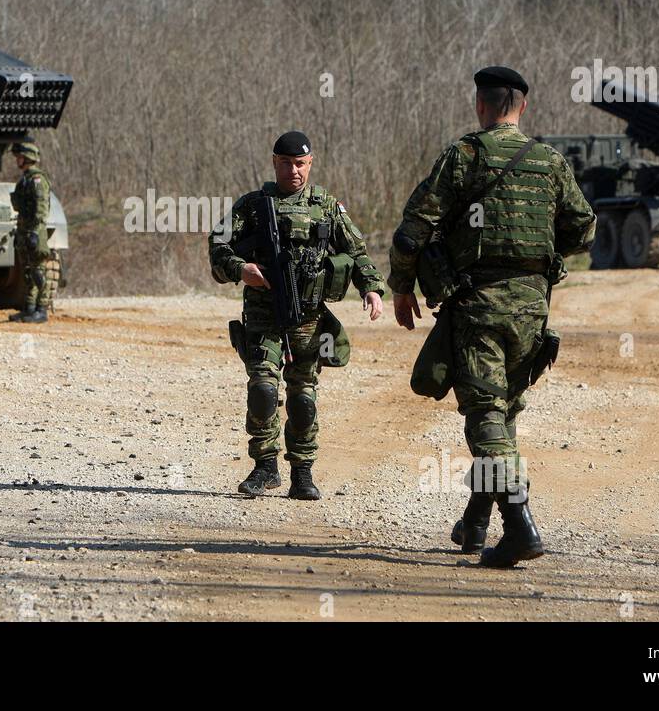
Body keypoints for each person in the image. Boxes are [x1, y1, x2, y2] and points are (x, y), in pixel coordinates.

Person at [388, 66, 595, 567]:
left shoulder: (465, 157)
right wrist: (539, 256)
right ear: (522, 107)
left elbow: (415, 226)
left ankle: (521, 527)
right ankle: (477, 523)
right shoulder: (550, 161)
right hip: (531, 311)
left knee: (484, 416)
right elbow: (583, 229)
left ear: (480, 105)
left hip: (478, 304)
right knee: (502, 412)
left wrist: (401, 285)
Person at [209, 130, 386, 501]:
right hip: (263, 313)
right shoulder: (253, 206)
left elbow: (357, 251)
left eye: (301, 164)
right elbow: (218, 245)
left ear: (311, 163)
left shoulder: (326, 206)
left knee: (302, 398)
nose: (294, 171)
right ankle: (265, 466)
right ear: (275, 162)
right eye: (287, 163)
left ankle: (302, 472)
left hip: (308, 316)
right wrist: (241, 269)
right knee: (262, 389)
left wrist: (371, 287)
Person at [9, 141, 53, 323]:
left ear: (27, 158)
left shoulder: (37, 181)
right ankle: (29, 308)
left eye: (20, 157)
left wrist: (35, 232)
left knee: (39, 271)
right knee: (28, 272)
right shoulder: (25, 179)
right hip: (24, 231)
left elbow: (41, 210)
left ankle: (42, 310)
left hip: (35, 231)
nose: (17, 160)